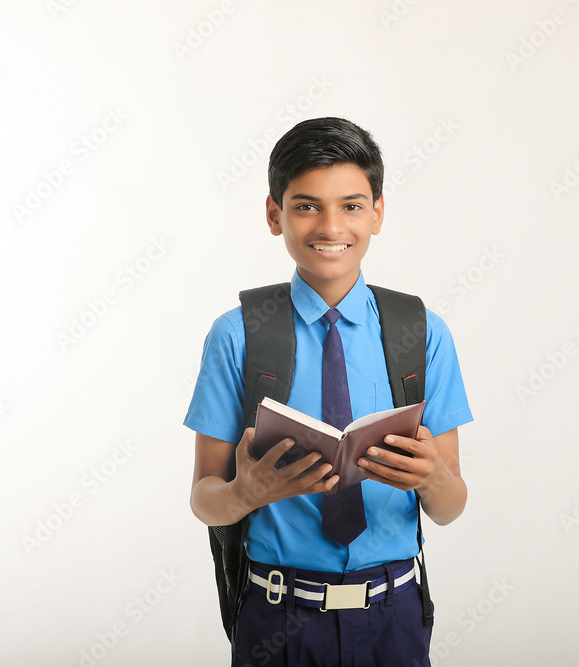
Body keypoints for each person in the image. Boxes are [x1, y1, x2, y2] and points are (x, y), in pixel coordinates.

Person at [186, 116, 473, 666]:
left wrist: (432, 476)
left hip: (394, 614)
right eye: (306, 205)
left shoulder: (422, 331)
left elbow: (450, 506)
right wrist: (246, 493)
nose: (330, 225)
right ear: (275, 214)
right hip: (278, 618)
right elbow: (204, 498)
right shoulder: (238, 334)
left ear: (378, 213)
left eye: (352, 205)